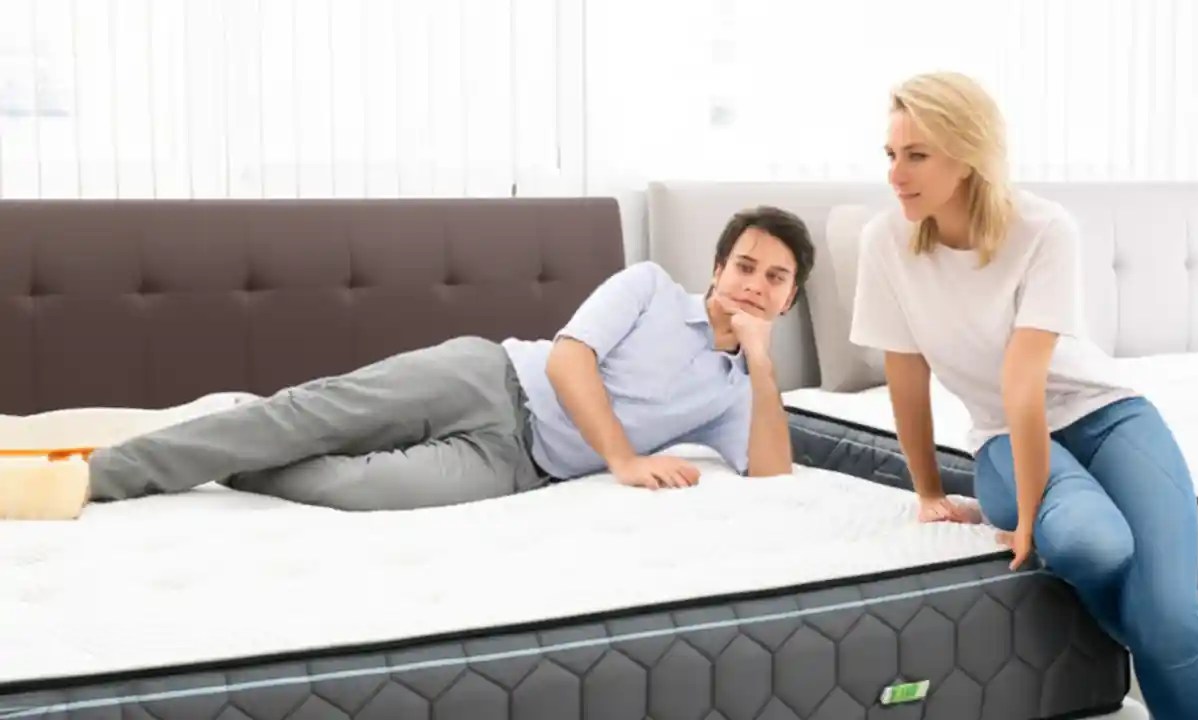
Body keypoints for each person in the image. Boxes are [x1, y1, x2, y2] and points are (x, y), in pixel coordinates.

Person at [0, 206, 815, 519]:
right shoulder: (645, 286)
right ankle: (87, 478)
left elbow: (771, 473)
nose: (753, 284)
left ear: (789, 302)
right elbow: (571, 364)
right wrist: (625, 459)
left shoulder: (734, 386)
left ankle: (223, 433)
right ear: (716, 268)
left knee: (351, 489)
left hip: (514, 465)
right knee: (305, 418)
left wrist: (765, 369)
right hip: (488, 377)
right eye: (744, 265)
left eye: (775, 279)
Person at [848, 71, 1198, 718]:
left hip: (1109, 416)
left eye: (915, 155)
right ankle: (1162, 638)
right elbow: (906, 376)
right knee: (1089, 543)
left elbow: (1025, 378)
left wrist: (1024, 517)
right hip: (1000, 434)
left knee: (1170, 618)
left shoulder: (1044, 227)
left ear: (966, 156)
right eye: (890, 154)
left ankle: (1165, 637)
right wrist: (931, 493)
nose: (894, 173)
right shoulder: (885, 242)